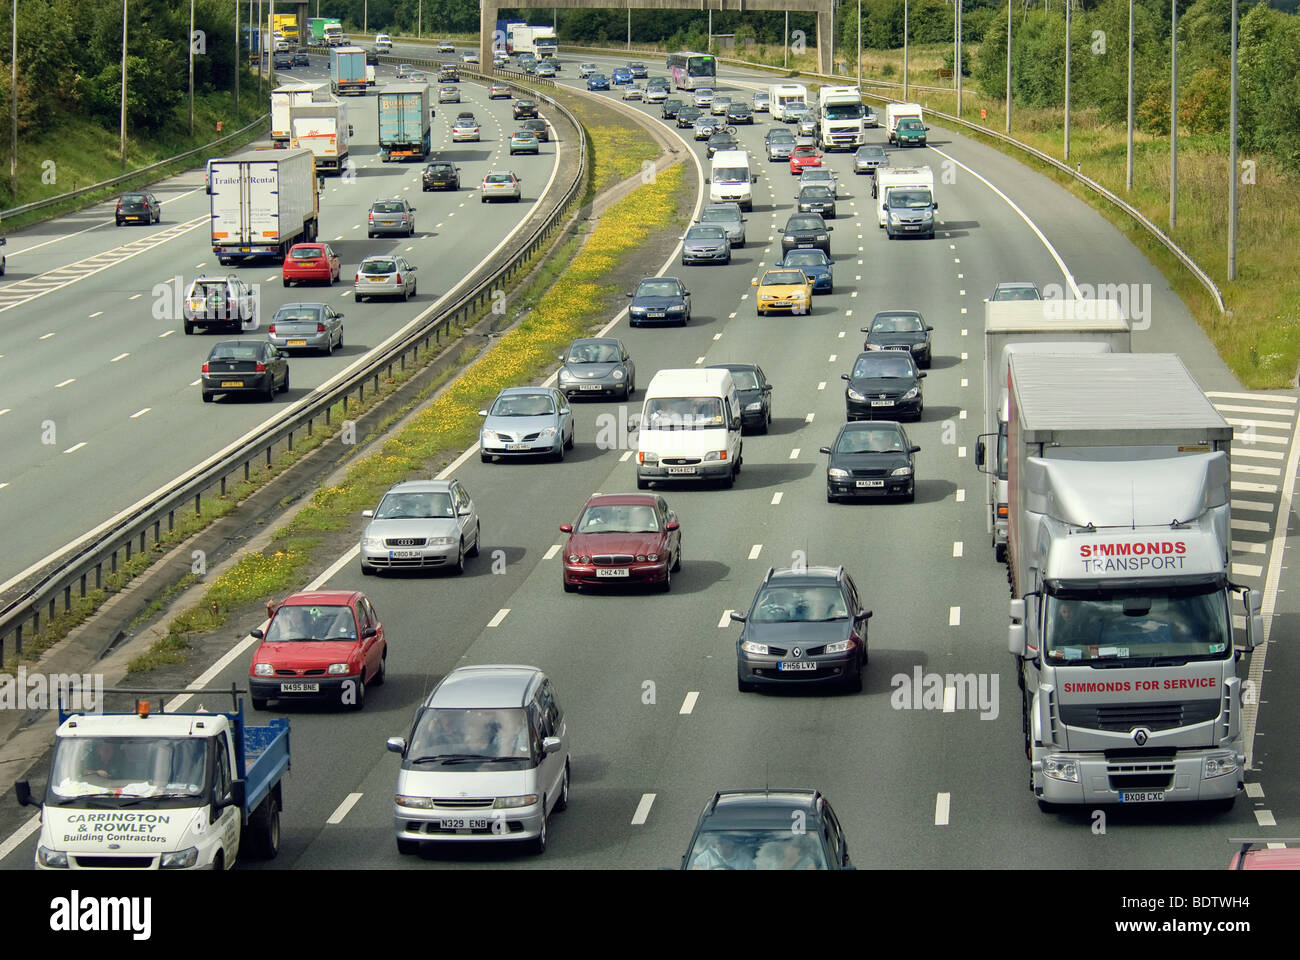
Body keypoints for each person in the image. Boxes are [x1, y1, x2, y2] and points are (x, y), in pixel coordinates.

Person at [689, 833, 756, 870]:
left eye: (723, 842)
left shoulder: (745, 860)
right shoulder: (706, 857)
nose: (720, 846)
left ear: (731, 843)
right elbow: (695, 867)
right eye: (718, 843)